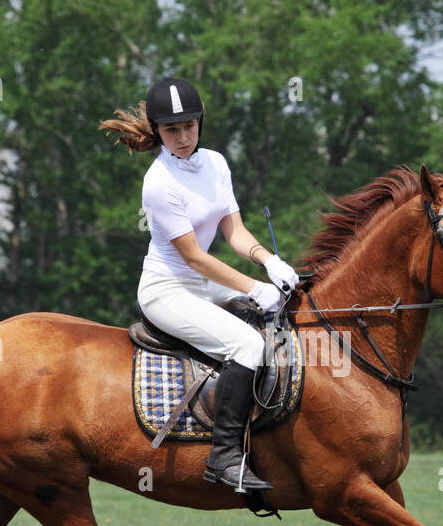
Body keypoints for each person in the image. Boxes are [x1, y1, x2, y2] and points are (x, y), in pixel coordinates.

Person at [99, 77, 300, 493]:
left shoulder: (215, 163)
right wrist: (252, 287)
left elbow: (235, 233)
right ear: (157, 132)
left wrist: (268, 261)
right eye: (172, 130)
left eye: (190, 126)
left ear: (200, 122)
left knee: (284, 307)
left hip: (203, 284)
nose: (183, 136)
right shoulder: (158, 183)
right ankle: (223, 457)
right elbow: (194, 257)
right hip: (167, 289)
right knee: (246, 346)